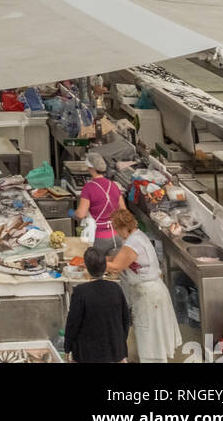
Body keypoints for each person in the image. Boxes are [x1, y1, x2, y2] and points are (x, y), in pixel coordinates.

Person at [107, 208, 182, 362]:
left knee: (150, 337)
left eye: (116, 229)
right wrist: (105, 259)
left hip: (149, 295)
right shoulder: (137, 235)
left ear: (123, 227)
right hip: (151, 291)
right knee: (152, 334)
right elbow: (118, 258)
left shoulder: (133, 243)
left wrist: (92, 263)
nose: (116, 233)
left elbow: (116, 266)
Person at [64, 246, 130, 363]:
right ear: (105, 266)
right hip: (114, 351)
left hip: (87, 354)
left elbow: (73, 322)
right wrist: (120, 343)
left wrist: (67, 347)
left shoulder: (81, 291)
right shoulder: (116, 288)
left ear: (87, 268)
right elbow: (125, 319)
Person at [74, 152, 124, 256]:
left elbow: (81, 214)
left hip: (99, 239)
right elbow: (123, 210)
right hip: (117, 236)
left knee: (98, 269)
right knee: (113, 269)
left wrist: (72, 213)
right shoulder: (114, 185)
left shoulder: (89, 188)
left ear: (91, 168)